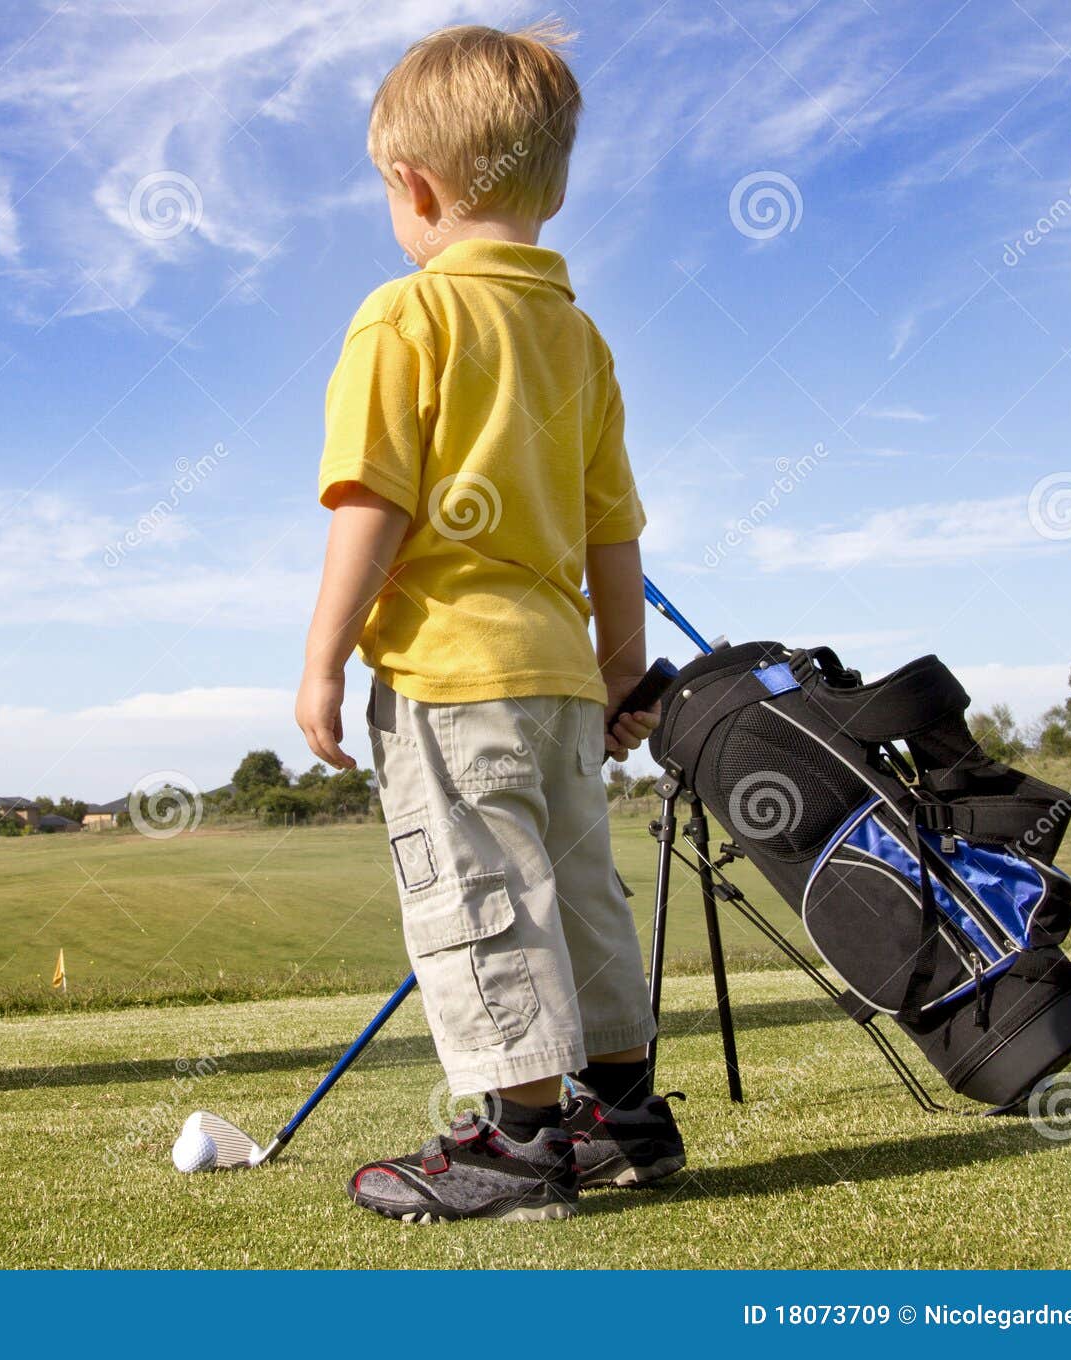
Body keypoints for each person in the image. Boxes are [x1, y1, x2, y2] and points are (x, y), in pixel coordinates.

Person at [295, 22, 684, 1222]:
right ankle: (623, 1116)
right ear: (548, 186)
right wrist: (623, 679)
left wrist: (320, 660)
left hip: (451, 678)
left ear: (412, 188)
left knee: (482, 900)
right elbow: (614, 533)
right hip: (562, 681)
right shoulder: (581, 339)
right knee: (581, 896)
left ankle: (518, 1142)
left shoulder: (402, 316)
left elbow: (371, 502)